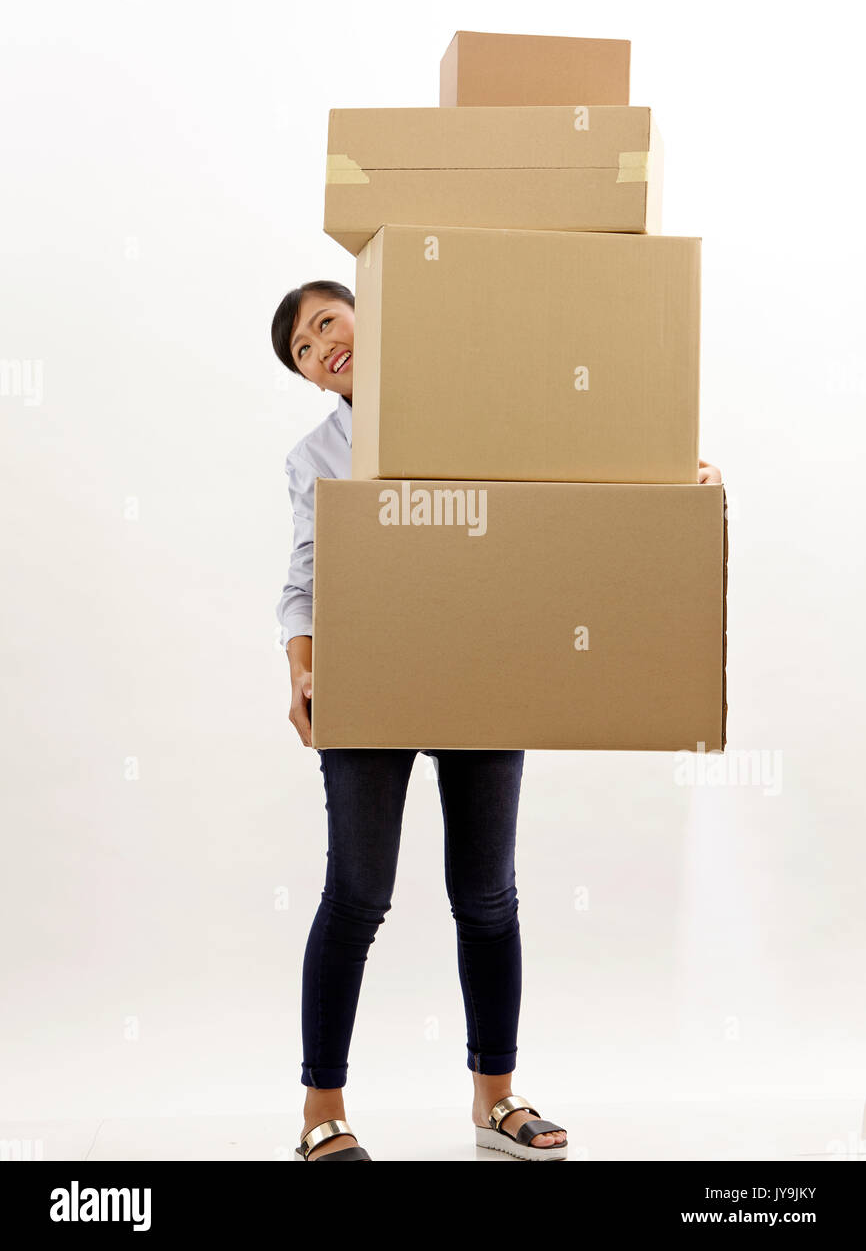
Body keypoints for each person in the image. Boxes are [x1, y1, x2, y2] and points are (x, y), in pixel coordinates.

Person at [272, 280, 722, 1162]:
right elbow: (304, 573)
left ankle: (496, 1102)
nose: (322, 344)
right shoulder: (315, 455)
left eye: (328, 321)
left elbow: (559, 466)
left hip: (483, 660)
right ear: (313, 380)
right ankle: (320, 1113)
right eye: (303, 349)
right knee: (358, 894)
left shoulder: (469, 394)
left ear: (365, 314)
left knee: (486, 896)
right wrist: (300, 669)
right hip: (373, 672)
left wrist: (678, 477)